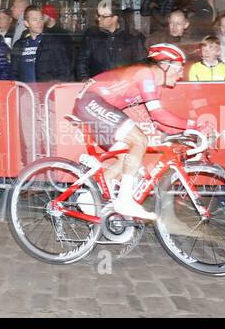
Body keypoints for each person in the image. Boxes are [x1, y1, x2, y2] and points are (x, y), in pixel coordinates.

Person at [72, 42, 207, 220]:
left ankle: (89, 199)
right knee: (139, 141)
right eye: (179, 68)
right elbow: (159, 114)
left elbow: (161, 124)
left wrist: (183, 135)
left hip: (93, 105)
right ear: (165, 65)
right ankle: (125, 201)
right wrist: (194, 124)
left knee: (126, 159)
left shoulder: (155, 86)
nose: (182, 74)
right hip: (91, 102)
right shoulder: (145, 73)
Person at [75, 3, 145, 79]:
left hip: (125, 86)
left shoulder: (132, 37)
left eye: (103, 16)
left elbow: (141, 63)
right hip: (98, 86)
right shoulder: (92, 35)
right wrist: (85, 81)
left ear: (114, 18)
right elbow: (82, 62)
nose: (99, 19)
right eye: (98, 15)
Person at [11, 6, 74, 84]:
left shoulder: (53, 43)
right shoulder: (19, 45)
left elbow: (65, 69)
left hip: (47, 92)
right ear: (26, 23)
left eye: (41, 19)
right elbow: (14, 72)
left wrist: (55, 85)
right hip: (25, 92)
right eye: (34, 19)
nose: (39, 23)